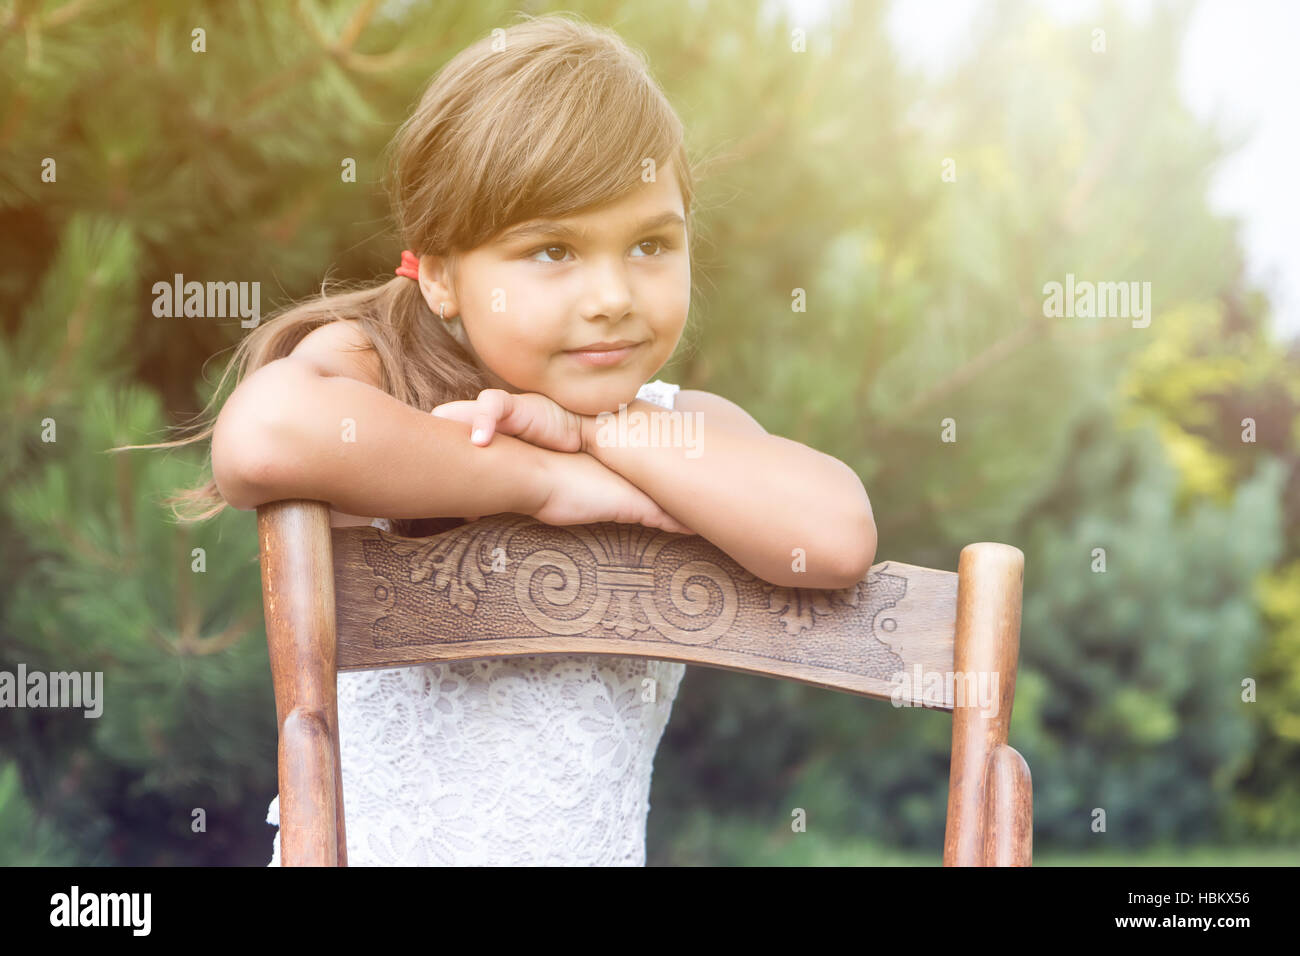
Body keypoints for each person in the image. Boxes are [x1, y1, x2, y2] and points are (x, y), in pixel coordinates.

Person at [140, 11, 876, 865]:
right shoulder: (380, 376)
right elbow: (262, 437)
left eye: (649, 244)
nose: (612, 295)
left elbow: (835, 534)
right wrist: (545, 481)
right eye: (554, 251)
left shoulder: (677, 429)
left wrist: (605, 437)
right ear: (445, 276)